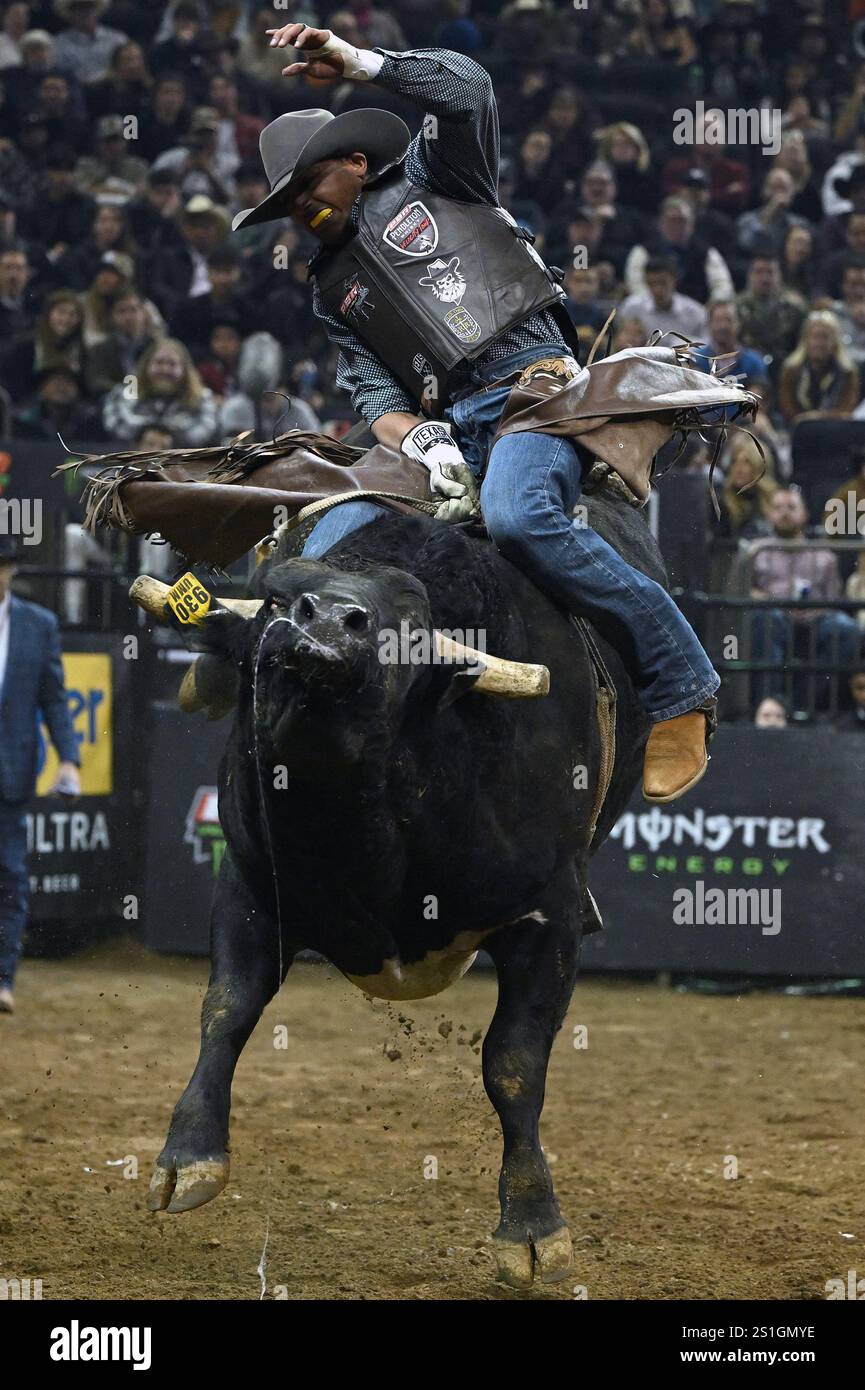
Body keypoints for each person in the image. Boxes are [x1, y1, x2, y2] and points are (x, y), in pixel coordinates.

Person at [233, 21, 759, 802]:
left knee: (518, 519)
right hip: (440, 431)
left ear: (353, 160)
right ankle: (243, 667)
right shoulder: (327, 284)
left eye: (309, 187)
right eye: (289, 203)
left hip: (529, 387)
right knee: (325, 540)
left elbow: (468, 90)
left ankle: (683, 685)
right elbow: (374, 390)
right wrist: (415, 434)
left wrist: (360, 62)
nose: (302, 209)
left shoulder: (437, 175)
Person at [0, 534, 81, 1014]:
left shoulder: (38, 625)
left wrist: (68, 759)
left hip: (10, 773)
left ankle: (3, 976)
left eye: (3, 565)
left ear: (12, 571)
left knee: (9, 876)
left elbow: (54, 697)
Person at [749, 488, 860, 708]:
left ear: (805, 513)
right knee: (769, 620)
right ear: (769, 514)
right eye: (778, 508)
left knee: (848, 630)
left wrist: (817, 611)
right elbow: (743, 591)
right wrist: (758, 596)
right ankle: (770, 705)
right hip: (774, 616)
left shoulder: (824, 555)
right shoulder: (758, 551)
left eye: (792, 507)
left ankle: (801, 704)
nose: (785, 513)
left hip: (815, 621)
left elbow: (833, 601)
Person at [102, 335, 218, 445]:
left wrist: (170, 437)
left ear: (185, 370)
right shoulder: (125, 392)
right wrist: (147, 433)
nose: (165, 370)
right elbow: (116, 423)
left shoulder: (202, 398)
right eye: (159, 362)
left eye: (172, 364)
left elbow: (205, 429)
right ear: (146, 365)